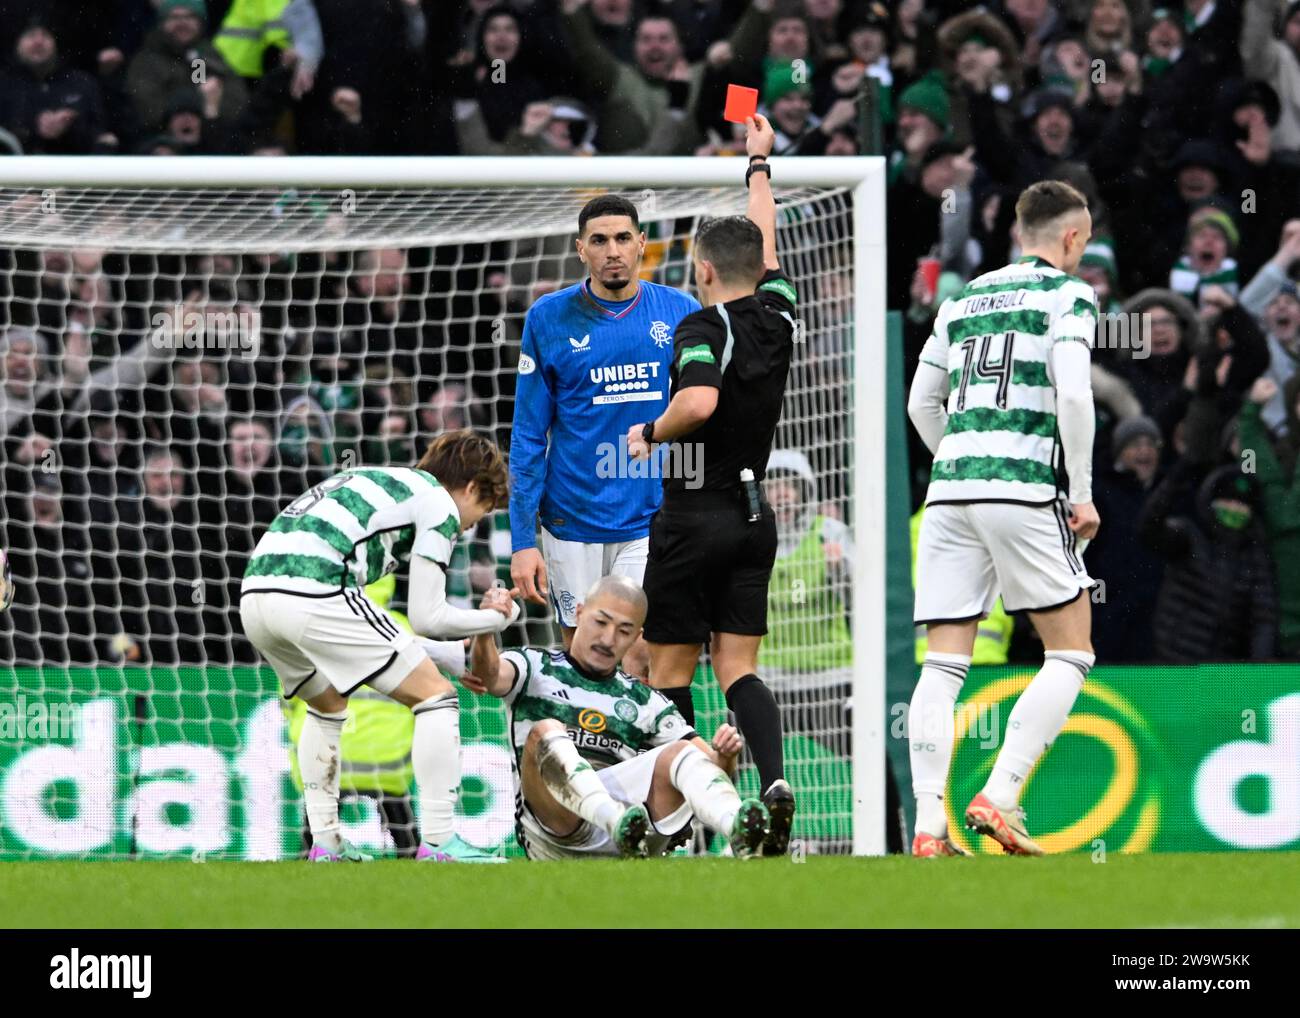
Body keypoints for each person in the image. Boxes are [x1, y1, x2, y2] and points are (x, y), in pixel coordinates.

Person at [907, 179, 1100, 857]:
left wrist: (961, 461)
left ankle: (928, 826)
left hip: (948, 493)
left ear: (1020, 230)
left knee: (941, 665)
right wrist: (1082, 491)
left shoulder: (962, 298)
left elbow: (920, 403)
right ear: (1072, 237)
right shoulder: (1069, 294)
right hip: (1020, 488)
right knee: (1070, 651)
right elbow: (1074, 396)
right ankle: (1002, 795)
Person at [627, 112, 798, 855]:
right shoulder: (779, 313)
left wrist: (650, 431)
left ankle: (693, 821)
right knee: (738, 668)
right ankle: (774, 784)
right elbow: (765, 245)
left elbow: (697, 402)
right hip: (755, 517)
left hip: (695, 515)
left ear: (701, 271)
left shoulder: (701, 328)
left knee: (667, 673)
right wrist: (758, 165)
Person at [239, 430, 515, 863]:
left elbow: (371, 627)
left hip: (256, 594)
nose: (471, 526)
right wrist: (497, 619)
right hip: (314, 589)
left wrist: (444, 654)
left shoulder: (382, 483)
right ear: (470, 487)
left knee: (327, 705)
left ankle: (326, 846)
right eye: (482, 510)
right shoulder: (438, 502)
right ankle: (440, 843)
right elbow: (427, 617)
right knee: (437, 697)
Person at [508, 193, 699, 678]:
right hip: (571, 518)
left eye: (621, 238)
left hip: (650, 517)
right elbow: (529, 434)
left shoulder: (680, 310)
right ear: (580, 249)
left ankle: (636, 734)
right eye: (598, 241)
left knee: (637, 653)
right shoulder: (547, 318)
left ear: (641, 243)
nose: (612, 251)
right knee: (583, 660)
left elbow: (700, 411)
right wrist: (522, 541)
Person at [462, 574, 770, 859]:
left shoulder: (644, 699)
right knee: (545, 731)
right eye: (601, 622)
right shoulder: (534, 666)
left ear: (637, 636)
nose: (609, 639)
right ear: (579, 614)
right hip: (554, 831)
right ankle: (615, 819)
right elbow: (488, 676)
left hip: (627, 832)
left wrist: (725, 757)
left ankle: (740, 829)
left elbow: (710, 767)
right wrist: (486, 627)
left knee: (683, 752)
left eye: (624, 631)